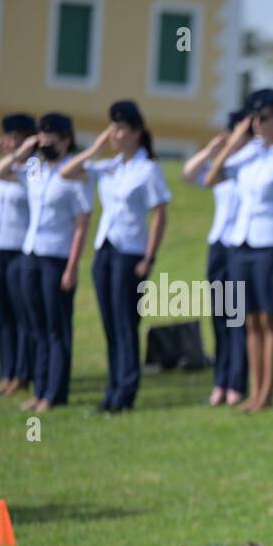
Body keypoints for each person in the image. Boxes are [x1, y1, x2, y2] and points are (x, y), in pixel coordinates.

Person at [204, 88, 273, 413]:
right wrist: (235, 140)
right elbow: (211, 177)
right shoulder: (247, 153)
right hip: (241, 245)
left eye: (264, 118)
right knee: (249, 320)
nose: (259, 125)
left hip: (271, 246)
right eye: (254, 119)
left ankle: (267, 394)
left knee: (270, 319)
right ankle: (254, 392)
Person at [62, 100, 170, 413]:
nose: (115, 134)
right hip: (105, 250)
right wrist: (96, 147)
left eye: (121, 129)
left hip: (131, 253)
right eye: (112, 128)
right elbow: (67, 172)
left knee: (126, 325)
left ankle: (126, 392)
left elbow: (160, 215)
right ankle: (112, 389)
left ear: (136, 132)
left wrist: (149, 257)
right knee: (109, 325)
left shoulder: (148, 169)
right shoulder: (108, 167)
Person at [0, 113, 91, 413]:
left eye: (52, 137)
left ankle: (54, 393)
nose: (46, 142)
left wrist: (72, 266)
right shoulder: (36, 168)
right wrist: (30, 146)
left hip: (57, 257)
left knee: (56, 329)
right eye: (42, 136)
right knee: (36, 327)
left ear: (66, 140)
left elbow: (81, 223)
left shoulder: (73, 174)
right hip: (30, 254)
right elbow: (0, 172)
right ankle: (38, 389)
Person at [183, 109, 248, 407]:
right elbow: (190, 173)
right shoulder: (221, 167)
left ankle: (237, 381)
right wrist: (212, 149)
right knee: (219, 317)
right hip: (217, 245)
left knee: (237, 319)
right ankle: (220, 380)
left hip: (241, 246)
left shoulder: (249, 167)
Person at [0, 114, 36, 398]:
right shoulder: (1, 167)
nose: (9, 143)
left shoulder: (34, 170)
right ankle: (7, 372)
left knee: (21, 317)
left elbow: (3, 172)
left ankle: (22, 373)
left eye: (15, 137)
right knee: (2, 315)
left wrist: (21, 153)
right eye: (7, 137)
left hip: (21, 250)